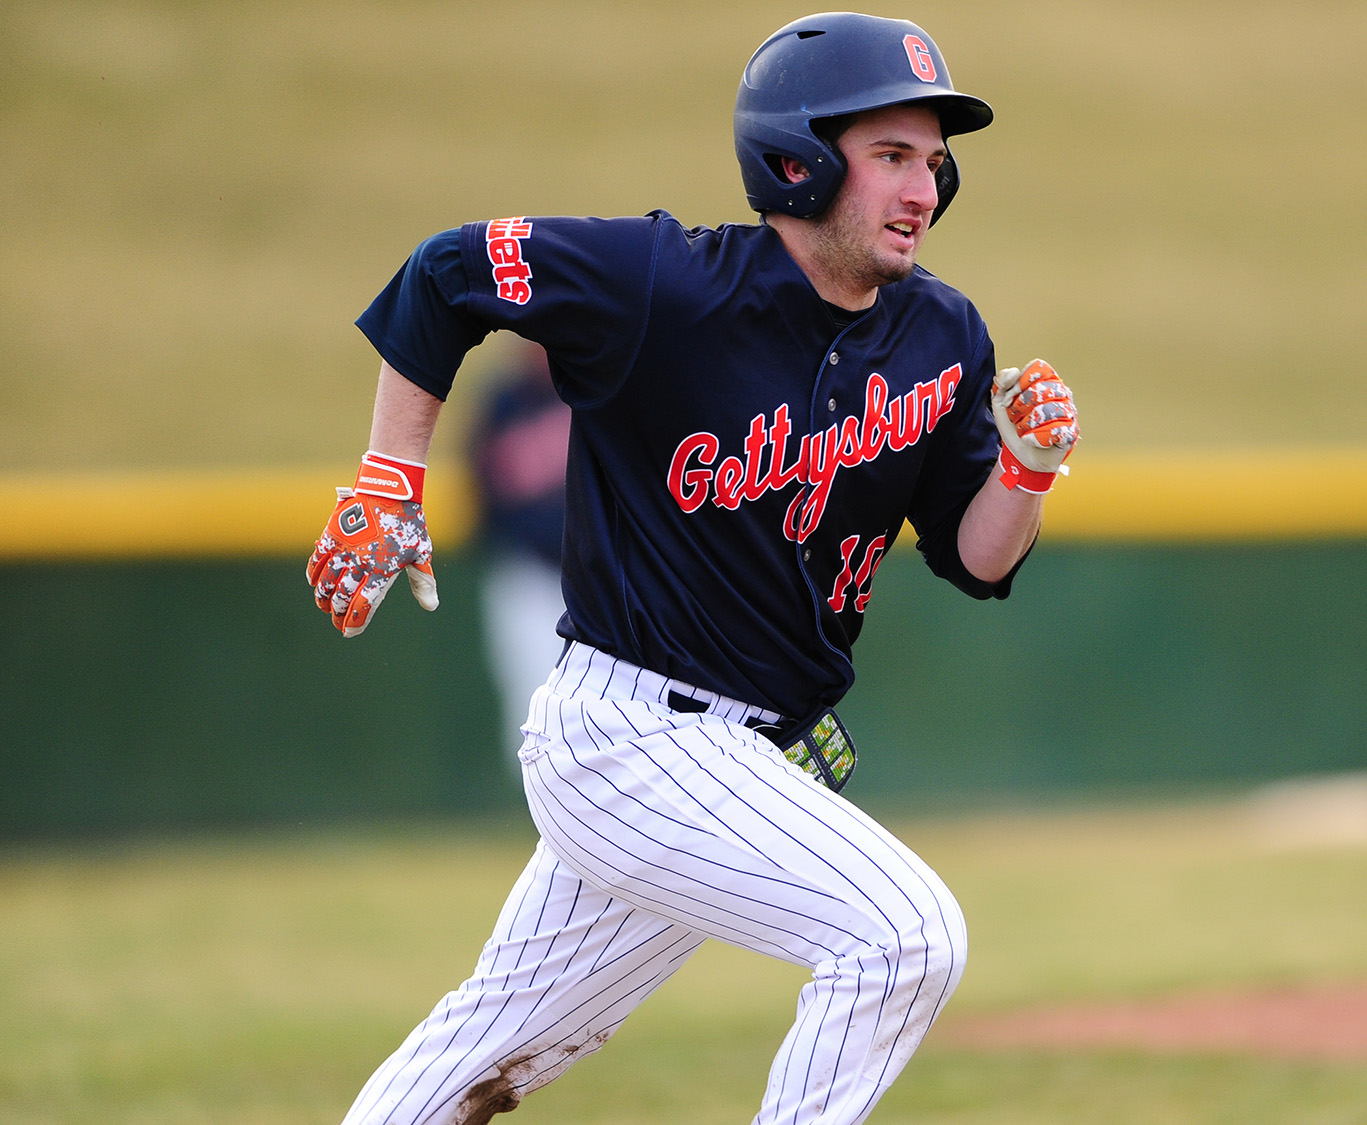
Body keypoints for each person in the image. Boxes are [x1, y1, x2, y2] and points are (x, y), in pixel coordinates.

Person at [304, 13, 1078, 1125]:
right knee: (904, 934)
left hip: (746, 761)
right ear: (799, 160)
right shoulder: (663, 283)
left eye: (934, 162)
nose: (924, 188)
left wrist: (1028, 469)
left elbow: (973, 555)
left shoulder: (941, 333)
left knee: (490, 1046)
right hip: (629, 737)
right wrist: (390, 474)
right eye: (892, 156)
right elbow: (447, 273)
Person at [467, 339, 571, 763]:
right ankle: (530, 815)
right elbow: (482, 492)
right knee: (529, 706)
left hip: (601, 577)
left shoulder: (606, 386)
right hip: (527, 573)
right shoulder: (505, 403)